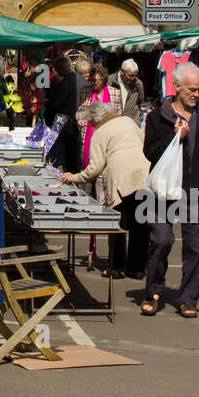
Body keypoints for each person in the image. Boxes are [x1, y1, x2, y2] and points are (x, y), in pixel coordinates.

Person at [141, 63, 199, 318]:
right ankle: (153, 291)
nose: (196, 94)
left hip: (196, 190)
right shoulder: (158, 116)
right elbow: (149, 151)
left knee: (196, 248)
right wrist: (175, 137)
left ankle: (188, 298)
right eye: (192, 89)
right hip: (163, 191)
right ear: (177, 87)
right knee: (161, 240)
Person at [63, 101, 150, 277]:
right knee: (140, 224)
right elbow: (143, 141)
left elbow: (94, 168)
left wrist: (75, 177)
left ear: (94, 120)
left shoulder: (99, 133)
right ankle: (137, 268)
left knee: (117, 224)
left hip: (120, 178)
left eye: (91, 123)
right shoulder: (127, 121)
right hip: (143, 173)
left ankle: (116, 267)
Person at [76, 64, 122, 200]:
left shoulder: (115, 93)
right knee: (88, 168)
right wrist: (79, 118)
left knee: (104, 173)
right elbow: (79, 111)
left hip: (108, 138)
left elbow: (119, 114)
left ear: (103, 79)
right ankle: (86, 198)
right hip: (89, 137)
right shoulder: (85, 92)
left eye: (95, 80)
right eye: (91, 80)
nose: (92, 83)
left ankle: (103, 200)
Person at [45, 55, 86, 172]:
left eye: (57, 68)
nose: (56, 71)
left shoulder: (67, 81)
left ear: (61, 68)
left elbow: (56, 104)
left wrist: (48, 110)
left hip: (65, 121)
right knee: (73, 152)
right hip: (75, 120)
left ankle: (65, 171)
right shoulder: (79, 79)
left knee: (66, 153)